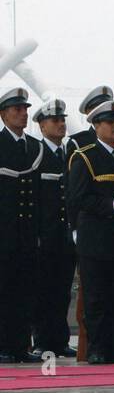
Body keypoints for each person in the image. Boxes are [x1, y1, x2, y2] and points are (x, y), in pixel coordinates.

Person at [67, 99, 114, 364]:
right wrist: (109, 205)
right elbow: (77, 198)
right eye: (109, 123)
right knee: (97, 296)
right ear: (96, 126)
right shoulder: (85, 157)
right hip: (95, 239)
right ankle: (97, 348)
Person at [0, 86, 42, 362]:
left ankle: (20, 346)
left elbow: (38, 195)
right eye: (17, 109)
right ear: (3, 115)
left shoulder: (34, 147)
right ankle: (4, 345)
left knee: (25, 290)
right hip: (4, 233)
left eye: (25, 109)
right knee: (4, 290)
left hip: (27, 233)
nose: (24, 114)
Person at [32, 99, 77, 358]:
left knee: (62, 290)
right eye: (55, 121)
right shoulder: (37, 153)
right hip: (45, 234)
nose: (61, 124)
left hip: (65, 235)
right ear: (42, 125)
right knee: (43, 290)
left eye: (62, 120)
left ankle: (60, 340)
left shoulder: (70, 153)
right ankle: (42, 340)